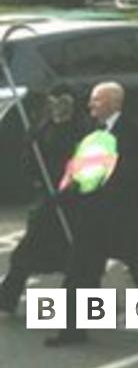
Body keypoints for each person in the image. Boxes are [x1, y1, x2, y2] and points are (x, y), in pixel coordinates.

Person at [48, 82, 138, 347]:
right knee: (80, 272)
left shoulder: (136, 133)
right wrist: (68, 190)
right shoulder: (89, 129)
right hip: (92, 216)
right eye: (92, 100)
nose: (91, 105)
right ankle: (72, 330)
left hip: (124, 216)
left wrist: (106, 178)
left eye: (97, 100)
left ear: (115, 103)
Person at [0, 86, 86, 313]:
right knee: (25, 252)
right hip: (47, 200)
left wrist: (71, 188)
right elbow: (31, 163)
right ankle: (7, 297)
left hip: (72, 203)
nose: (59, 108)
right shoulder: (43, 128)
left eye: (64, 103)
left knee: (78, 258)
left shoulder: (82, 131)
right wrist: (30, 145)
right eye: (54, 103)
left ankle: (82, 303)